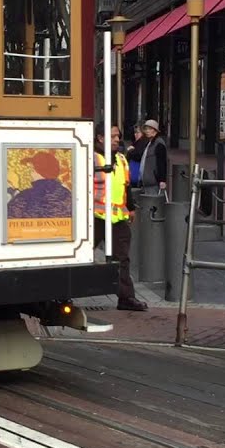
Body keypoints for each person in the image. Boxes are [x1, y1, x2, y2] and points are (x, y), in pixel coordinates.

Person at [93, 125, 147, 312]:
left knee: (122, 259)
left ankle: (126, 298)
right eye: (113, 136)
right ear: (100, 138)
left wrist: (130, 208)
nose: (117, 140)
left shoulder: (122, 159)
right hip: (95, 217)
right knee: (79, 256)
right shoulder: (91, 158)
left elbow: (125, 187)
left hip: (117, 218)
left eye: (118, 136)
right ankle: (62, 296)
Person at [126, 119, 168, 196]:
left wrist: (162, 180)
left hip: (153, 182)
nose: (147, 131)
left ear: (155, 130)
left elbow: (162, 162)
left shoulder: (158, 144)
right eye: (146, 129)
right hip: (147, 182)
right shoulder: (149, 143)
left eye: (150, 129)